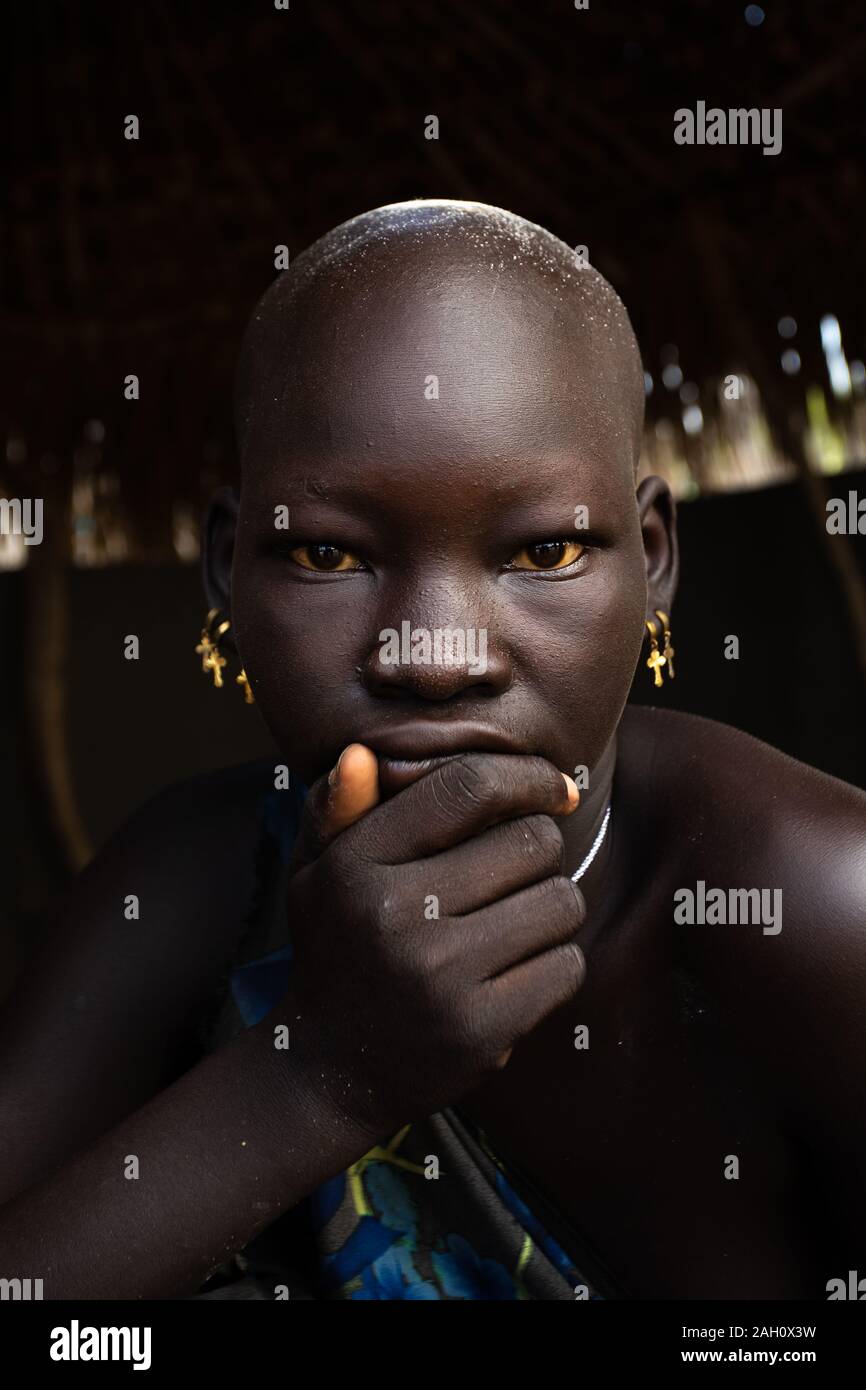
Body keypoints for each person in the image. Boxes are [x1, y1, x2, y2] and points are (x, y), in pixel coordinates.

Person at [0, 199, 863, 1300]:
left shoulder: (816, 902)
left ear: (650, 561)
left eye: (543, 552)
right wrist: (322, 1071)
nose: (435, 655)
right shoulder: (194, 880)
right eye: (327, 554)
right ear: (227, 571)